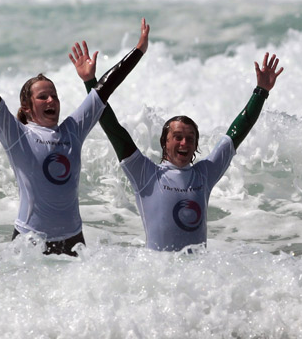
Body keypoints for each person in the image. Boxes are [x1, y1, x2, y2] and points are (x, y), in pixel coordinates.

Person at [0, 19, 149, 256]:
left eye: (54, 95)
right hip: (30, 241)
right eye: (43, 97)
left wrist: (138, 51)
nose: (51, 100)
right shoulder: (16, 134)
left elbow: (105, 88)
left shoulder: (72, 130)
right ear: (27, 105)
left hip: (73, 241)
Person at [68, 36, 283, 251]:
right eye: (178, 137)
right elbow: (112, 127)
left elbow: (237, 133)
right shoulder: (145, 173)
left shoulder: (204, 174)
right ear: (164, 142)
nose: (184, 143)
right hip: (160, 275)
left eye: (190, 139)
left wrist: (261, 91)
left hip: (198, 276)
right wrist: (90, 82)